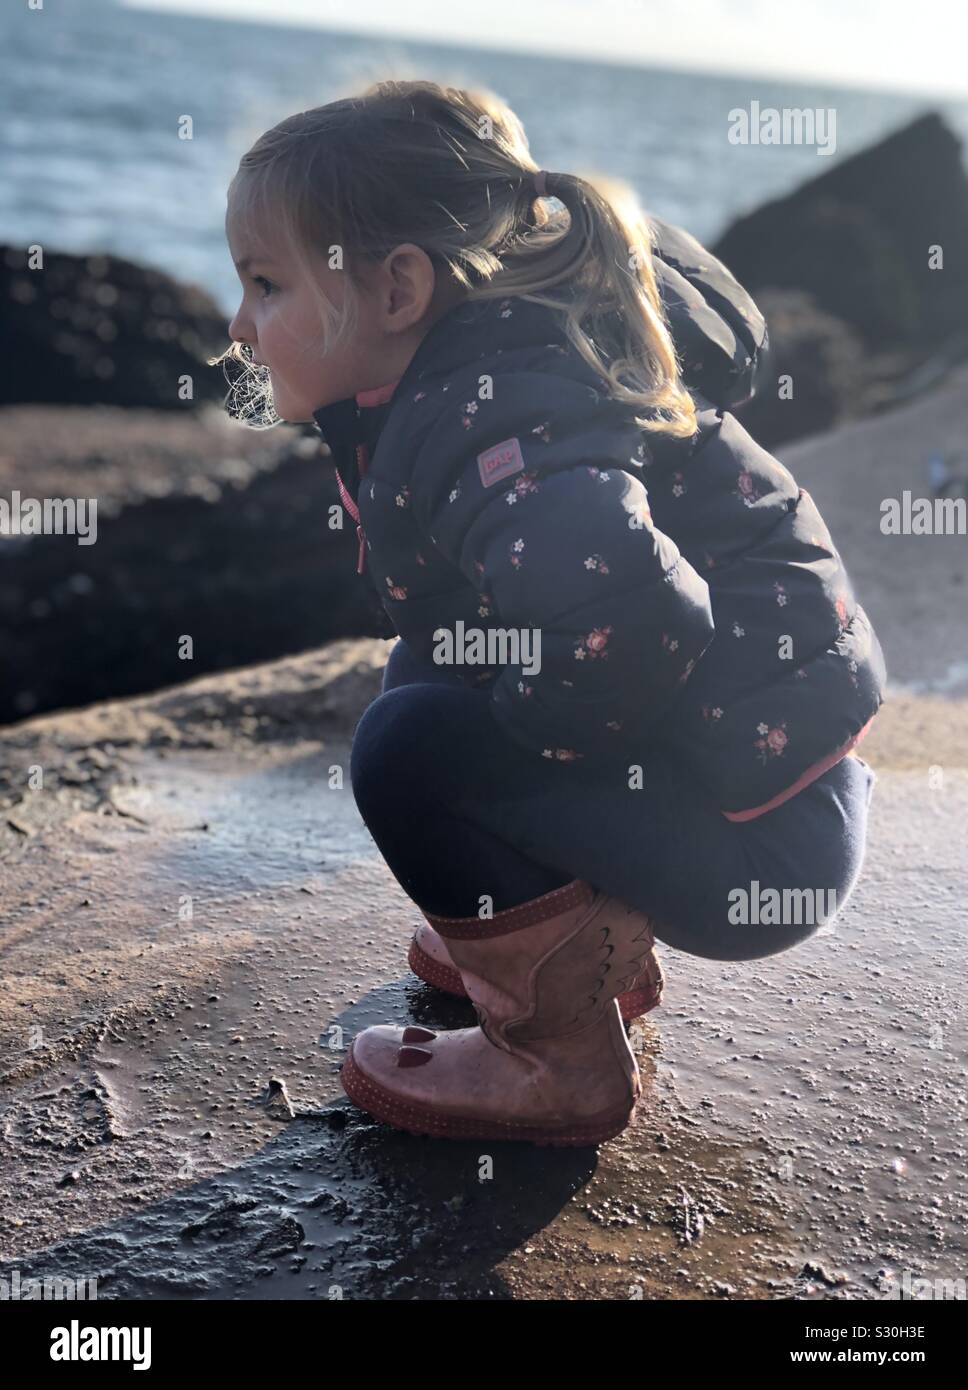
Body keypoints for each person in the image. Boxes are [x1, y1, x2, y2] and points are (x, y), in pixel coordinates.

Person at [218, 78, 885, 1147]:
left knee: (407, 749)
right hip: (764, 788)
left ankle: (561, 1060)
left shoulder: (498, 424)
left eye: (265, 285)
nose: (239, 324)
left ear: (398, 291)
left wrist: (530, 776)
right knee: (430, 673)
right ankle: (560, 941)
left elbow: (646, 617)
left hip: (760, 848)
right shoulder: (483, 376)